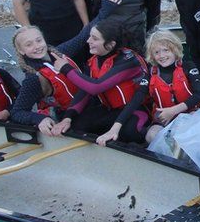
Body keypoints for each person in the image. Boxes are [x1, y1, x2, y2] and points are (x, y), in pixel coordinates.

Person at [9, 0, 121, 136]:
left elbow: (82, 37)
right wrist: (39, 119)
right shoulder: (33, 78)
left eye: (39, 40)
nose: (37, 46)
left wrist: (106, 10)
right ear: (21, 51)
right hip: (71, 120)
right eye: (29, 44)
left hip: (89, 104)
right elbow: (17, 112)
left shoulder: (58, 52)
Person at [52, 17, 152, 146]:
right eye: (90, 36)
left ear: (111, 44)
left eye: (95, 38)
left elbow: (96, 87)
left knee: (130, 132)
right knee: (76, 125)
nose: (88, 41)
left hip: (135, 110)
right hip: (109, 110)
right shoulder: (94, 60)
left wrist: (66, 69)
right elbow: (85, 91)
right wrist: (67, 118)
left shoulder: (129, 61)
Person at [143, 30, 200, 144]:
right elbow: (137, 97)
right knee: (151, 136)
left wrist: (173, 111)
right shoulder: (150, 73)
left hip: (189, 112)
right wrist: (117, 126)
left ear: (175, 49)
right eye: (156, 52)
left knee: (186, 130)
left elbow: (199, 95)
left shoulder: (188, 66)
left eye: (166, 50)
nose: (162, 56)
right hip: (164, 116)